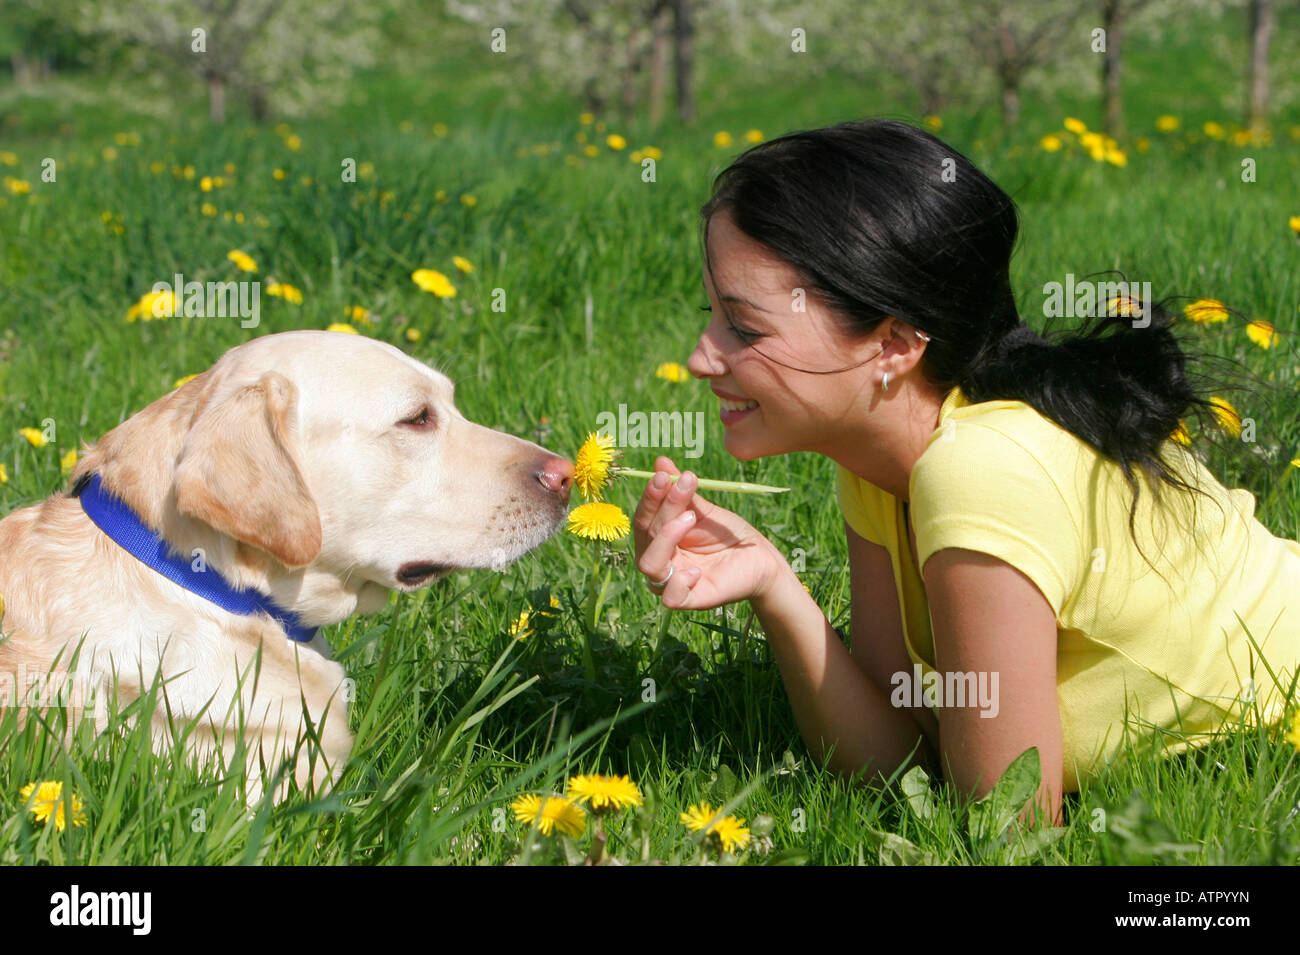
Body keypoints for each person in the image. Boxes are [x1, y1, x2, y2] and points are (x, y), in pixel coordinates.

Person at [630, 118, 1300, 827]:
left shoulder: (980, 471)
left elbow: (1007, 823)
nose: (702, 357)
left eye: (744, 327)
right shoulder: (878, 460)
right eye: (714, 317)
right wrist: (773, 585)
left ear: (892, 344)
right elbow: (906, 755)